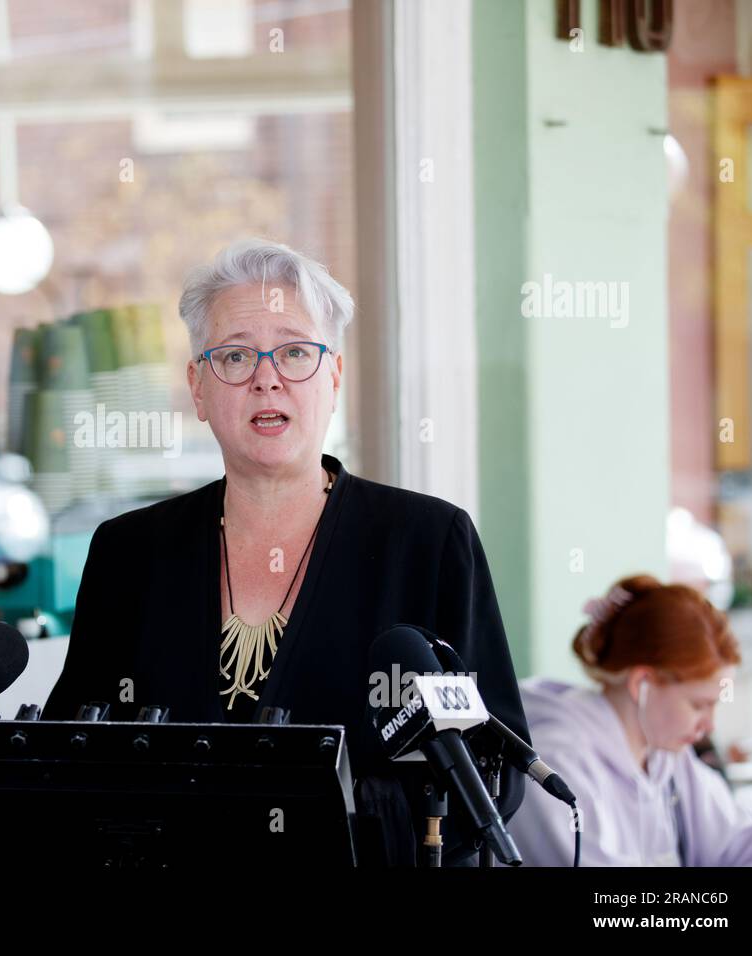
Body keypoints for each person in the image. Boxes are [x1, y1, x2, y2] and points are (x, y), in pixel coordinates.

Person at [44, 238, 530, 864]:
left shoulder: (428, 542)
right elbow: (65, 761)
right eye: (236, 355)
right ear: (197, 387)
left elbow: (496, 772)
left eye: (295, 352)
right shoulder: (129, 553)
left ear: (333, 376)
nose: (266, 377)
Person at [512, 574, 752, 866]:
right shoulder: (556, 763)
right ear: (643, 684)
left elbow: (745, 846)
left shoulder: (668, 760)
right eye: (699, 705)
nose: (709, 726)